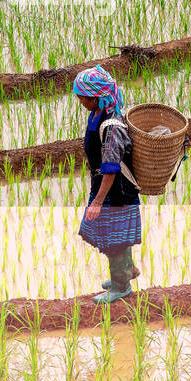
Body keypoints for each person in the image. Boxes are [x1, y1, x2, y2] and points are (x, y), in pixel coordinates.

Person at [72, 66, 141, 303]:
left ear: (97, 98)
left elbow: (111, 168)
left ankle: (121, 287)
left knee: (114, 238)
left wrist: (98, 202)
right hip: (104, 185)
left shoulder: (111, 126)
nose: (80, 100)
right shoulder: (97, 114)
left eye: (83, 97)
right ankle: (126, 271)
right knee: (112, 234)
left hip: (118, 191)